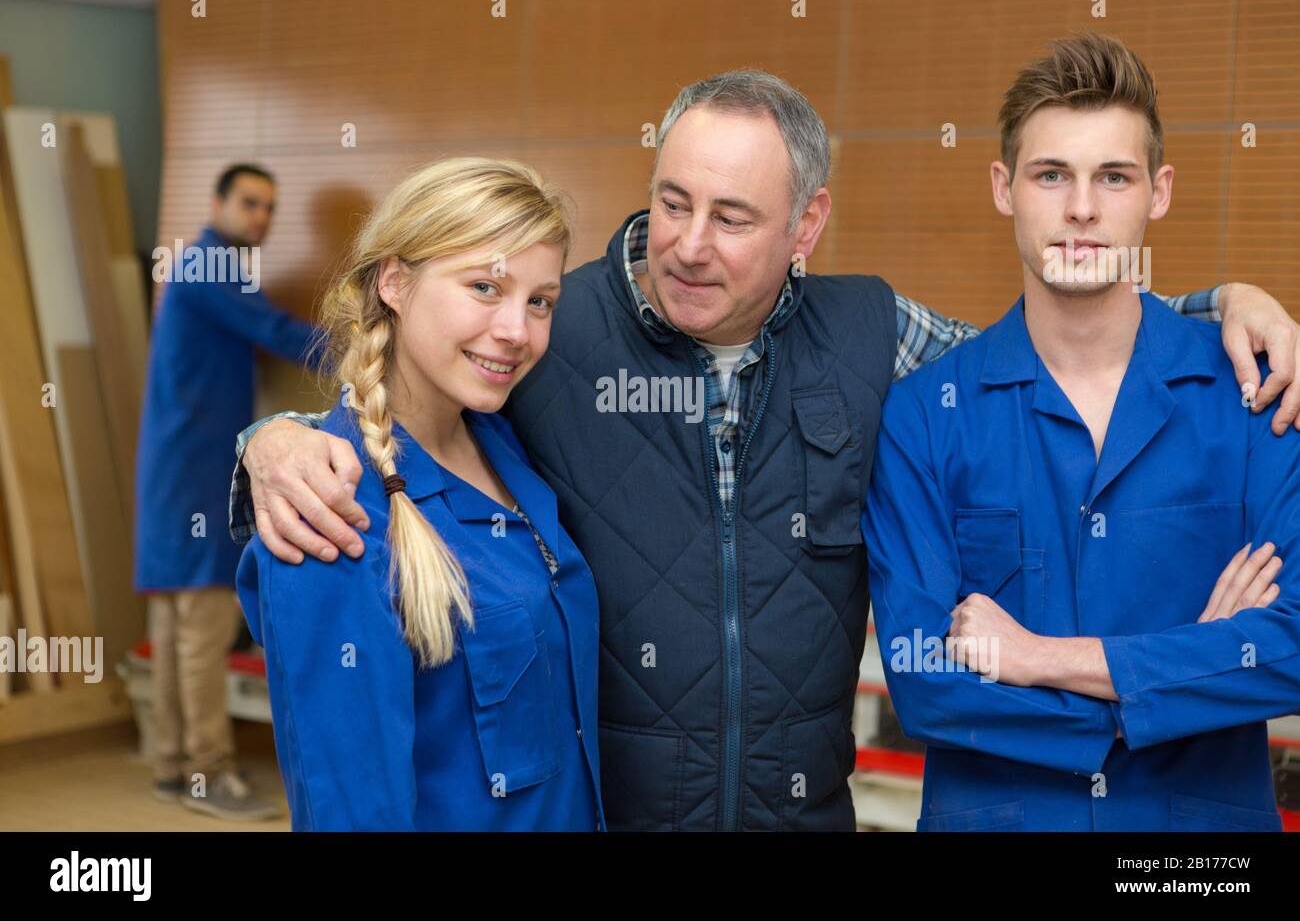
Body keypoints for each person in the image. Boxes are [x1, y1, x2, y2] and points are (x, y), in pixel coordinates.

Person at [228, 71, 1300, 831]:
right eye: (672, 202)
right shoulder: (557, 335)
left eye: (734, 216)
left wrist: (1213, 311)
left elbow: (1060, 340)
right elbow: (405, 406)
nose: (688, 244)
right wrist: (267, 441)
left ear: (806, 225)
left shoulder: (875, 336)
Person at [863, 33, 1300, 831]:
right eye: (1052, 174)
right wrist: (1178, 672)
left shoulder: (1254, 392)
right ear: (1004, 187)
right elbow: (926, 682)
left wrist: (1042, 658)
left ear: (1158, 192)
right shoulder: (926, 415)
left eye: (1114, 177)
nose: (1082, 209)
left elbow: (1294, 646)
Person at [235, 158, 603, 830]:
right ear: (396, 281)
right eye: (485, 287)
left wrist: (264, 432)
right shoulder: (330, 512)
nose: (517, 331)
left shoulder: (510, 445)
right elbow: (352, 810)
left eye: (539, 301)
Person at [135, 163, 315, 820]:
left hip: (173, 468)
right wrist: (366, 355)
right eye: (249, 203)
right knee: (204, 625)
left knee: (179, 622)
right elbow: (279, 332)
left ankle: (172, 768)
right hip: (196, 473)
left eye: (269, 206)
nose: (261, 217)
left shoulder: (198, 267)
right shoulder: (214, 267)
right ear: (218, 203)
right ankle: (208, 774)